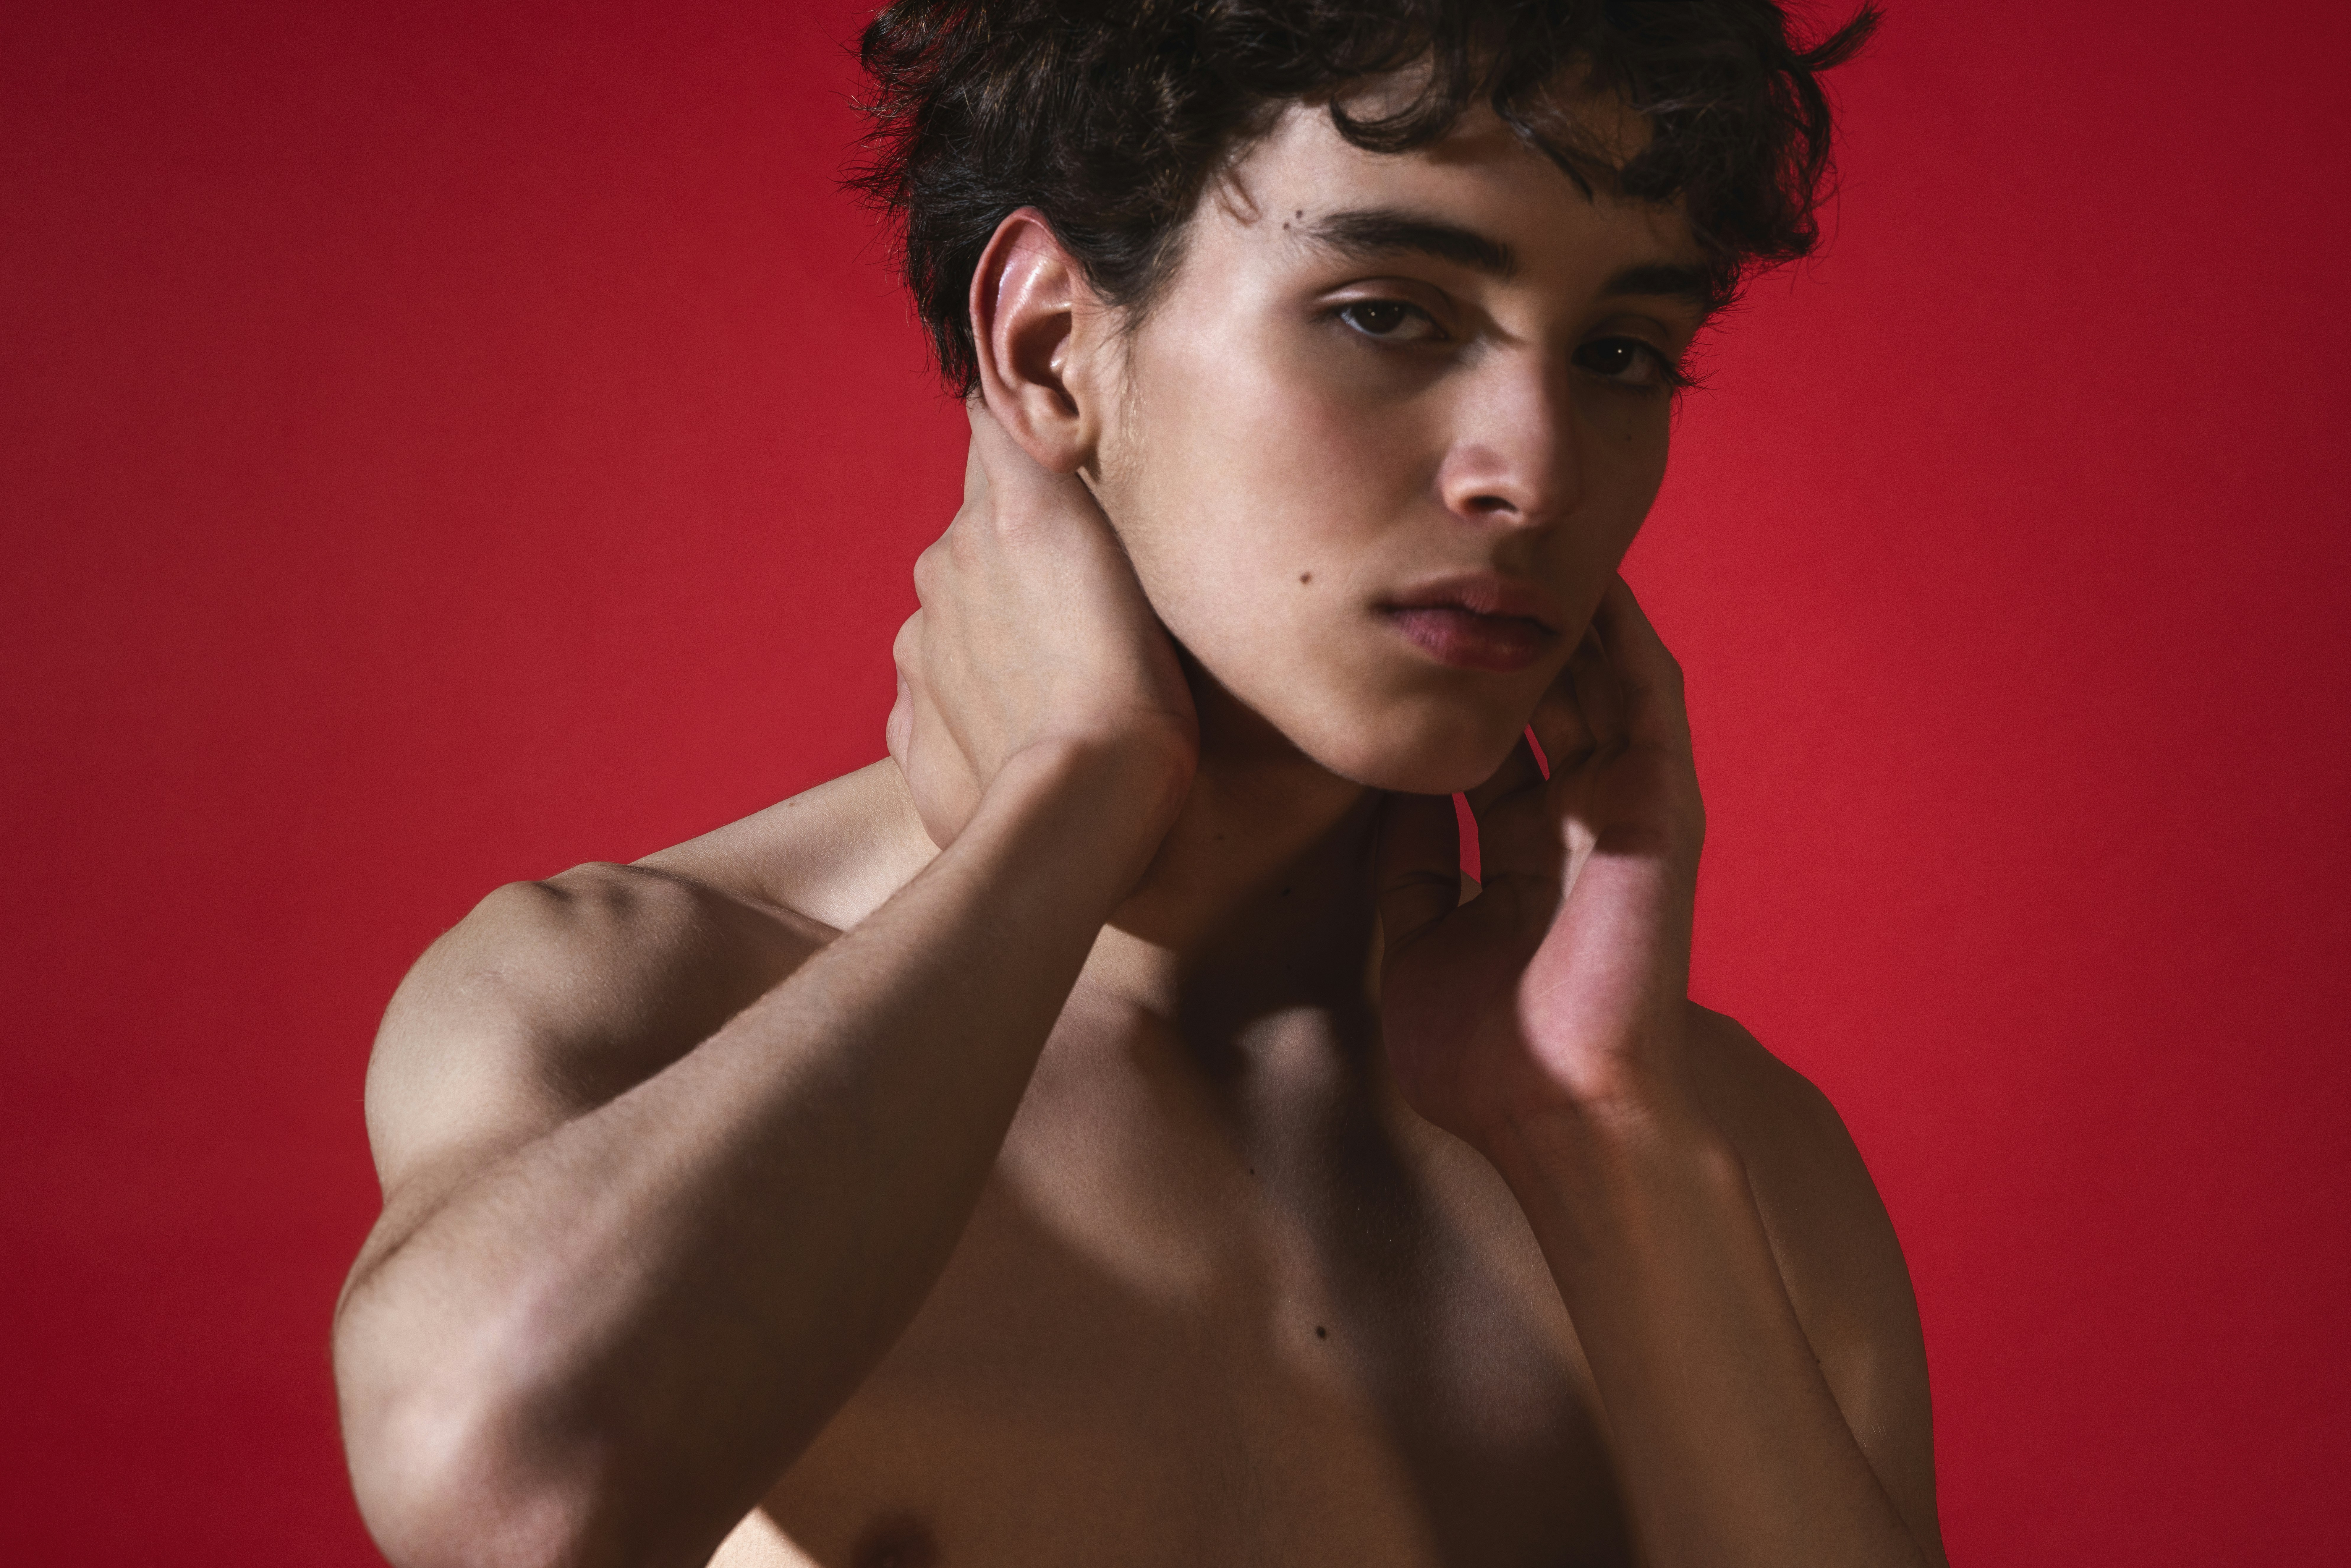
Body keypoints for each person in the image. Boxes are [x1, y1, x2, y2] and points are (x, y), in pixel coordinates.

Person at [331, 2, 1947, 1564]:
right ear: (1047, 346)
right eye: (1390, 311)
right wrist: (1069, 808)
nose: (1533, 471)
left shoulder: (1710, 1153)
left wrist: (1593, 1138)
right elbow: (510, 1500)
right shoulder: (640, 1002)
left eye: (1620, 350)